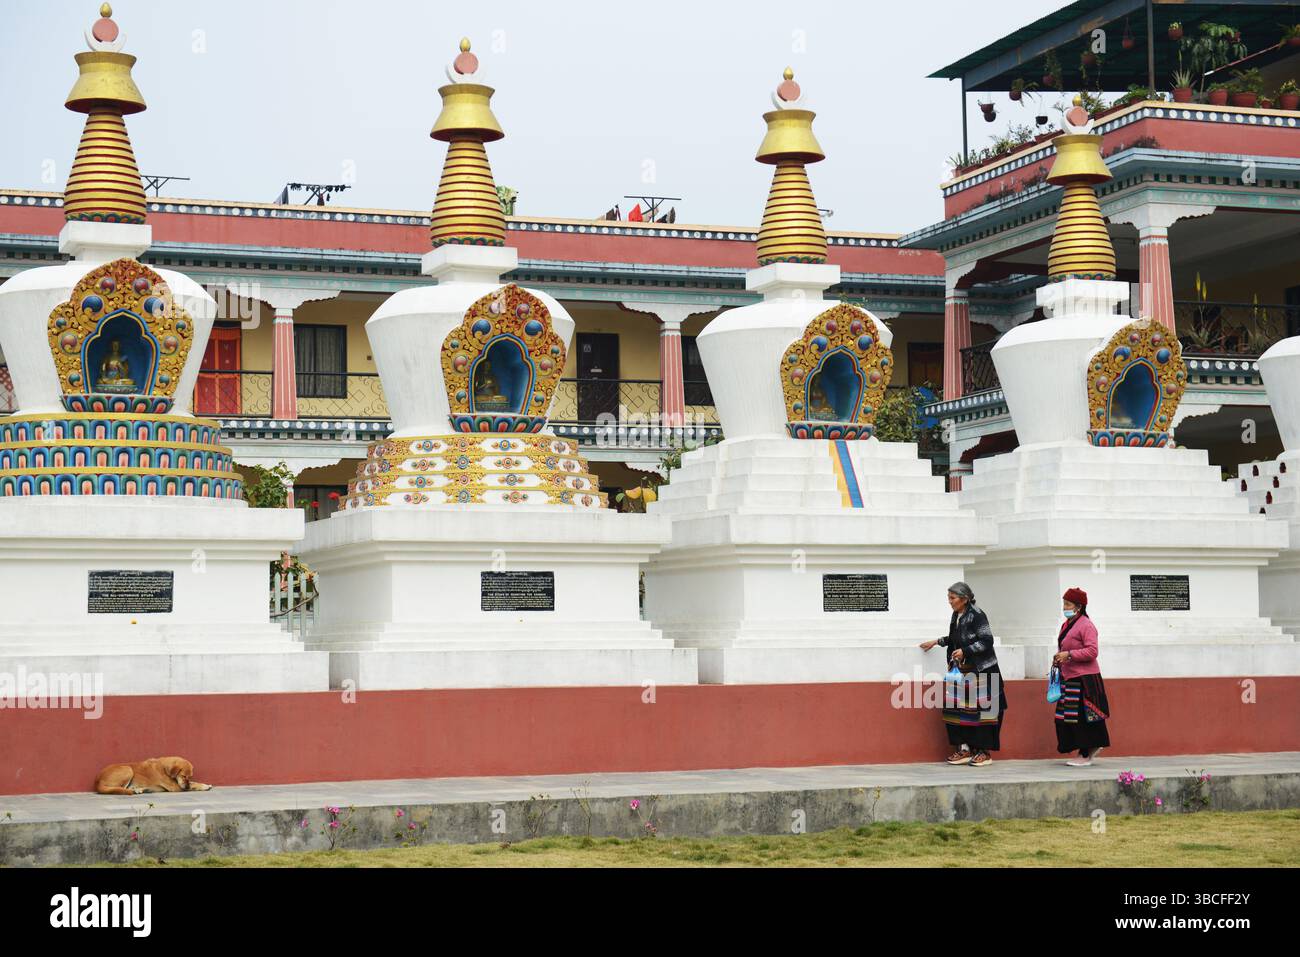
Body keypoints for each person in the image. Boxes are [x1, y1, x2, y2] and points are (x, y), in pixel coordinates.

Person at [919, 582, 1007, 767]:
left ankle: (984, 751)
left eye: (953, 598)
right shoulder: (956, 615)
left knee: (984, 711)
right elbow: (955, 638)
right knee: (958, 710)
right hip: (962, 672)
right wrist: (936, 641)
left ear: (965, 598)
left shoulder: (977, 615)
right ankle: (965, 749)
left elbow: (987, 640)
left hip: (982, 670)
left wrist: (966, 651)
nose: (950, 602)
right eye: (949, 598)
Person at [1053, 586, 1111, 767]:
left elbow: (1093, 651)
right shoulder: (1067, 624)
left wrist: (1069, 655)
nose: (1065, 607)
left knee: (1082, 717)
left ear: (1079, 606)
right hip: (1070, 676)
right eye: (1064, 603)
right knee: (1068, 716)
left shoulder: (1086, 625)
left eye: (1068, 604)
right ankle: (1086, 749)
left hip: (1085, 679)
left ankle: (1085, 752)